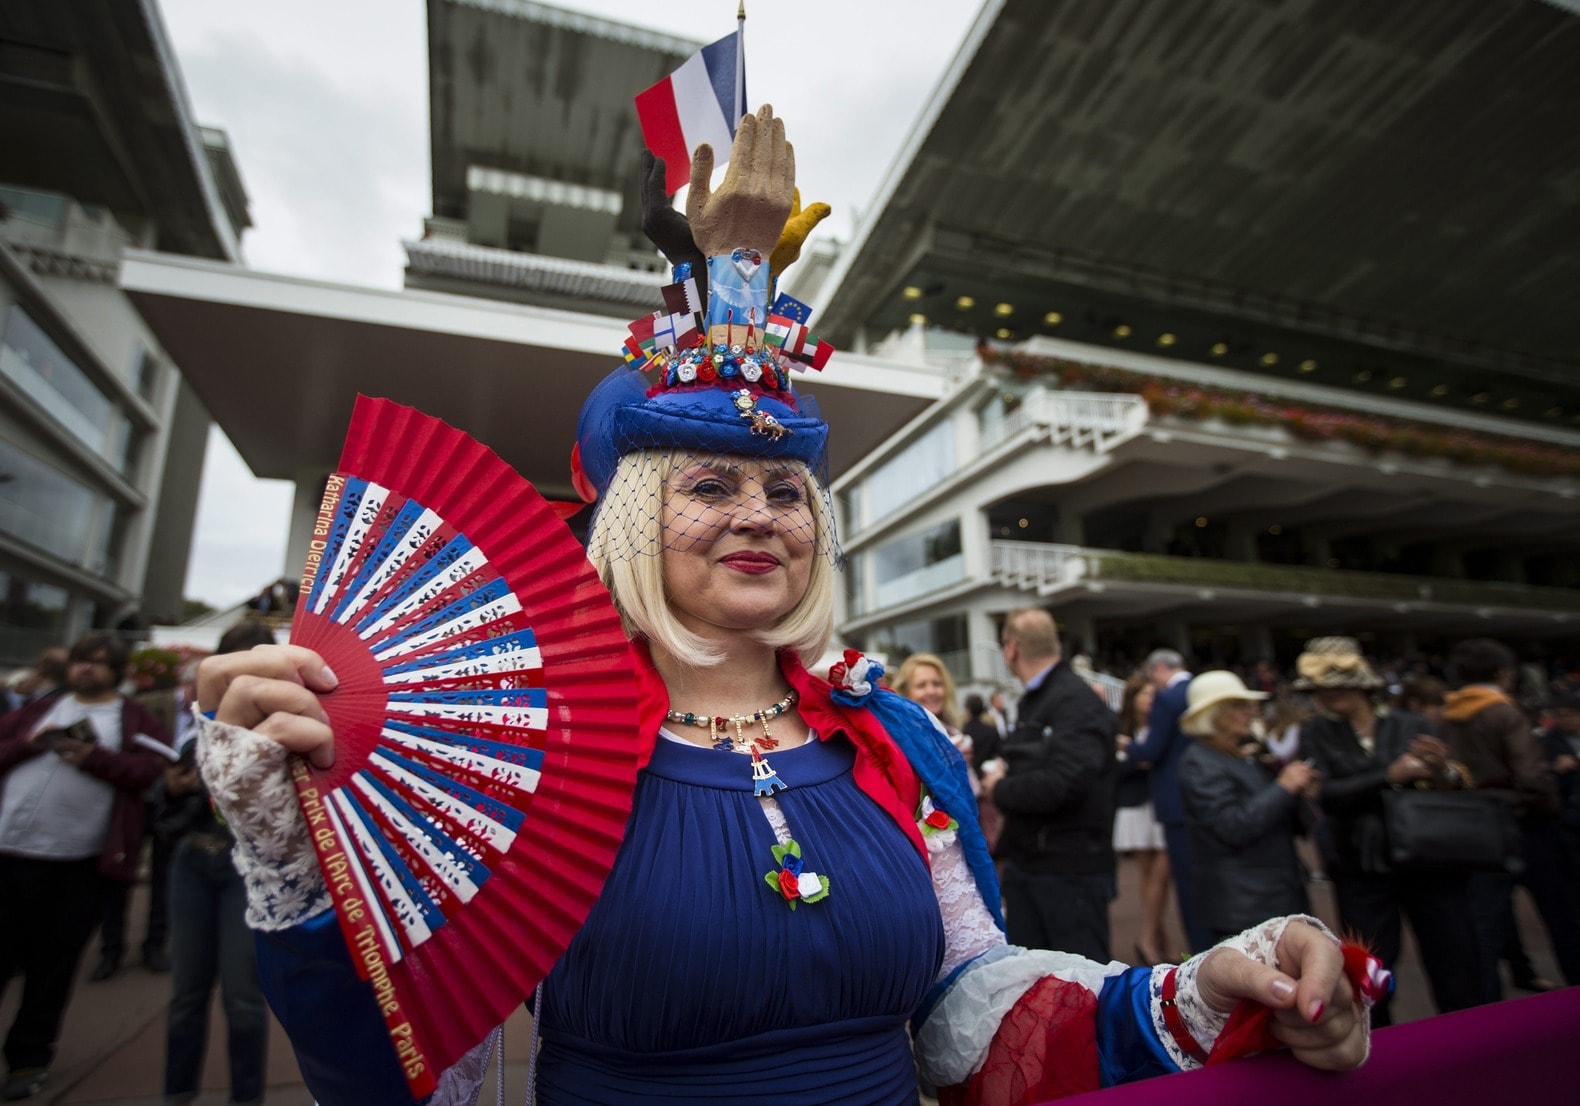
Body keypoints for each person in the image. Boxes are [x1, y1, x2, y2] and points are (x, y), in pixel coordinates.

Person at [189, 106, 1368, 1105]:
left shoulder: (892, 737)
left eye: (784, 488)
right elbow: (402, 1067)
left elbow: (970, 1007)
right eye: (708, 484)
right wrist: (299, 862)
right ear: (632, 521)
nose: (759, 514)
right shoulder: (517, 750)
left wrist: (1206, 980)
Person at [0, 631, 171, 1101]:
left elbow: (151, 772)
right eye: (82, 662)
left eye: (98, 663)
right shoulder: (38, 710)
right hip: (12, 853)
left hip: (78, 862)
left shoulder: (131, 719)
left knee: (52, 967)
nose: (87, 670)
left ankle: (28, 1059)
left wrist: (94, 757)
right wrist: (27, 745)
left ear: (117, 671)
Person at [1293, 637, 1485, 1026]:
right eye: (1320, 689)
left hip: (1428, 857)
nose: (1329, 696)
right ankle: (1379, 1056)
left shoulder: (1410, 724)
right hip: (1361, 864)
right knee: (1370, 970)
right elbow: (1329, 796)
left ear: (1362, 684)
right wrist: (1389, 775)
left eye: (1337, 686)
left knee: (1455, 957)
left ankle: (1470, 1042)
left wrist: (1441, 770)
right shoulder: (1317, 733)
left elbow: (1458, 781)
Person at [157, 620, 276, 1106]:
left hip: (243, 871)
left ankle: (246, 1098)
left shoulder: (279, 722)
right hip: (191, 860)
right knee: (185, 996)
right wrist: (174, 786)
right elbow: (165, 791)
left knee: (244, 1000)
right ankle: (177, 1093)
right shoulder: (197, 721)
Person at [1439, 638, 1577, 998]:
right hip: (1524, 825)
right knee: (1562, 915)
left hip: (1475, 827)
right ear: (1503, 673)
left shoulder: (1448, 716)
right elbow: (1532, 777)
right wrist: (1548, 806)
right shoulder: (1503, 712)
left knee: (1485, 924)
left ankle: (1487, 1003)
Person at [978, 609, 1119, 962]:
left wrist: (999, 788)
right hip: (1040, 865)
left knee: (1079, 988)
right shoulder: (1046, 698)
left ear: (1011, 649)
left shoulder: (1070, 699)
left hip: (1066, 873)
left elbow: (1064, 782)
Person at [1178, 671, 1315, 944]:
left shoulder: (1239, 756)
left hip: (1268, 897)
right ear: (1214, 715)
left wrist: (1296, 791)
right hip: (1244, 906)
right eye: (1239, 706)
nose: (1250, 713)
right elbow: (1233, 827)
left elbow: (1291, 823)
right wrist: (1284, 787)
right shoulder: (1199, 762)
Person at [1128, 649, 1211, 952]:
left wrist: (1130, 748)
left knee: (1190, 886)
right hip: (1209, 796)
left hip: (1177, 800)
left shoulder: (1169, 698)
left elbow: (1151, 751)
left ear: (1159, 668)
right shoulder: (1204, 689)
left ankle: (1201, 953)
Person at [1112, 675, 1172, 966]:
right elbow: (1117, 767)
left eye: (1153, 694)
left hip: (1159, 802)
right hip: (1136, 803)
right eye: (1144, 695)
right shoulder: (1123, 727)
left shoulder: (1162, 726)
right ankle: (1159, 939)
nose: (1150, 700)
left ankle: (1149, 936)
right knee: (1147, 873)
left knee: (1162, 873)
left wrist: (1135, 754)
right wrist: (1137, 759)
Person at [893, 653, 976, 793]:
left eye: (937, 684)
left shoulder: (951, 730)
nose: (931, 691)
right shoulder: (899, 737)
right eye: (921, 685)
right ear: (905, 692)